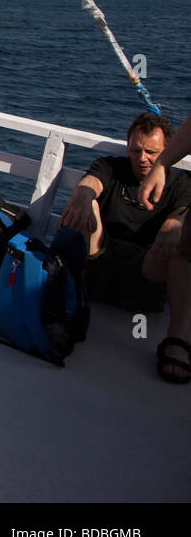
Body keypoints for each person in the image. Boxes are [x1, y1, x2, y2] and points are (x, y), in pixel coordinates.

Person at [65, 112, 191, 383]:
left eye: (151, 152)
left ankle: (177, 338)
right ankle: (67, 291)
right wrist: (83, 195)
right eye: (136, 149)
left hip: (146, 268)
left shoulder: (180, 184)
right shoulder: (112, 168)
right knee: (89, 204)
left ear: (168, 151)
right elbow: (91, 182)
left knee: (183, 237)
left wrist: (174, 224)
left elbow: (183, 208)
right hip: (100, 258)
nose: (142, 157)